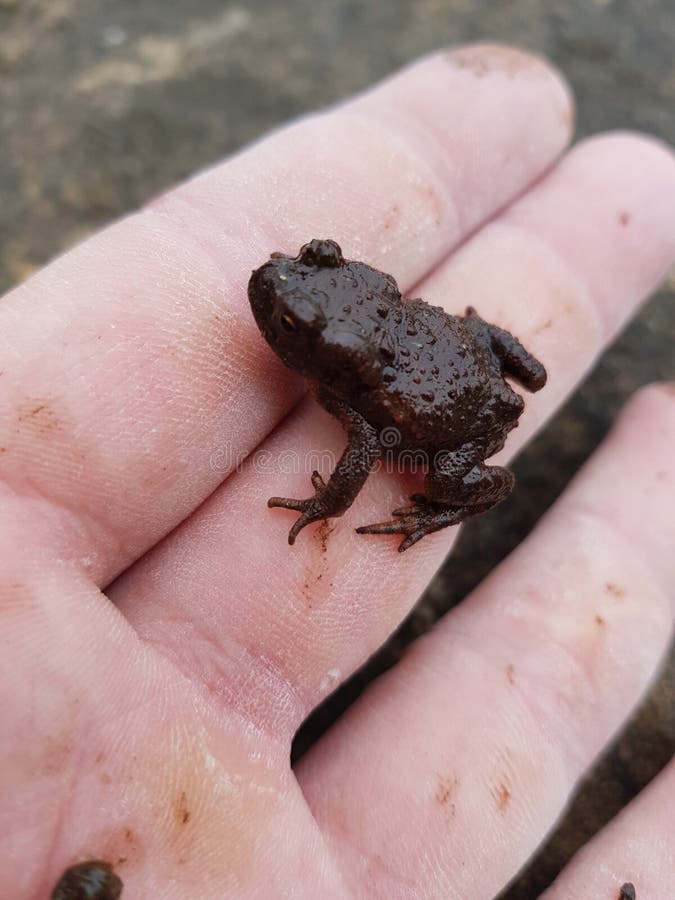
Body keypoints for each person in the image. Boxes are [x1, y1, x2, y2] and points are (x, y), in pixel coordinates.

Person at [1, 43, 673, 899]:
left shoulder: (354, 397)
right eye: (303, 276)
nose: (278, 283)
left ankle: (437, 505)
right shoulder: (352, 347)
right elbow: (443, 393)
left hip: (453, 432)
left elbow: (362, 449)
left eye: (293, 311)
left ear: (320, 349)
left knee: (437, 471)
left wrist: (338, 504)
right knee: (506, 379)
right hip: (464, 352)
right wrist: (473, 338)